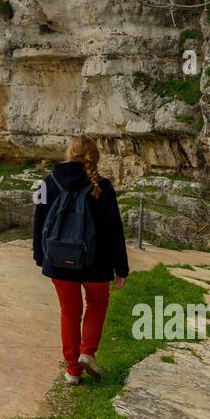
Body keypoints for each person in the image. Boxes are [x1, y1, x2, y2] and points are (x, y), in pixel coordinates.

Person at [32, 136, 129, 384]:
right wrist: (121, 267)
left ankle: (73, 371)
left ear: (68, 154)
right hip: (96, 263)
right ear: (95, 157)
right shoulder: (104, 187)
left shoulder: (46, 183)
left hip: (58, 260)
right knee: (97, 303)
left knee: (69, 312)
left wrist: (40, 256)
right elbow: (114, 230)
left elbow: (38, 222)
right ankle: (88, 352)